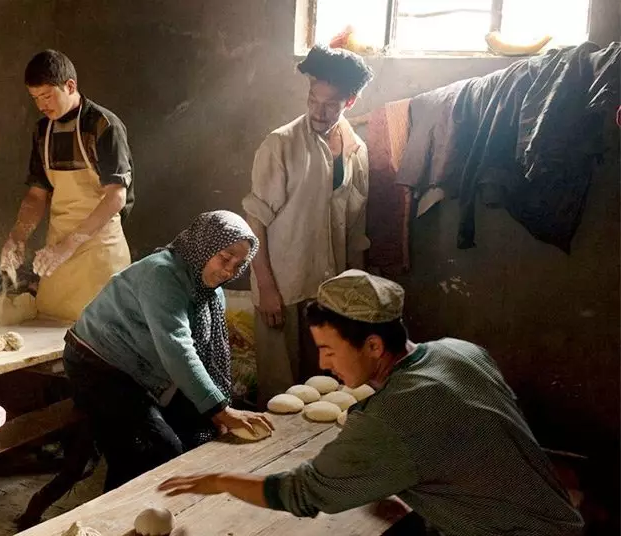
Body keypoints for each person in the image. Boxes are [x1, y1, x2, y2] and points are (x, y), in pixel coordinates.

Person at [159, 270, 584, 536]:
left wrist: (220, 481)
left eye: (328, 349)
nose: (323, 365)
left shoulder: (392, 418)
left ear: (374, 345)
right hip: (555, 516)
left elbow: (303, 493)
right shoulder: (458, 351)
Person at [64, 211, 274, 491]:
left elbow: (207, 354)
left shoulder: (210, 291)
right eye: (225, 258)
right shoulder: (162, 274)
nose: (228, 271)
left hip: (144, 368)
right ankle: (118, 522)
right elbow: (178, 348)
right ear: (206, 246)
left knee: (199, 431)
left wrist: (219, 409)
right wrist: (221, 411)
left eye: (238, 267)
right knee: (154, 453)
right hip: (99, 364)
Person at [243, 44, 374, 405]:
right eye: (313, 100)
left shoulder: (356, 150)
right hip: (283, 284)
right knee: (281, 389)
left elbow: (354, 226)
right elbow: (255, 220)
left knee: (325, 387)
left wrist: (352, 293)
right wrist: (266, 286)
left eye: (330, 104)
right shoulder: (280, 145)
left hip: (329, 289)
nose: (319, 111)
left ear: (349, 102)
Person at [0, 49, 133, 321]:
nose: (41, 105)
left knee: (99, 329)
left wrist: (70, 245)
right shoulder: (42, 131)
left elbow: (116, 197)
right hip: (57, 250)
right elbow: (37, 195)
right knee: (50, 323)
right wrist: (18, 235)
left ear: (70, 86)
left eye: (47, 96)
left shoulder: (103, 126)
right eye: (35, 98)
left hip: (100, 249)